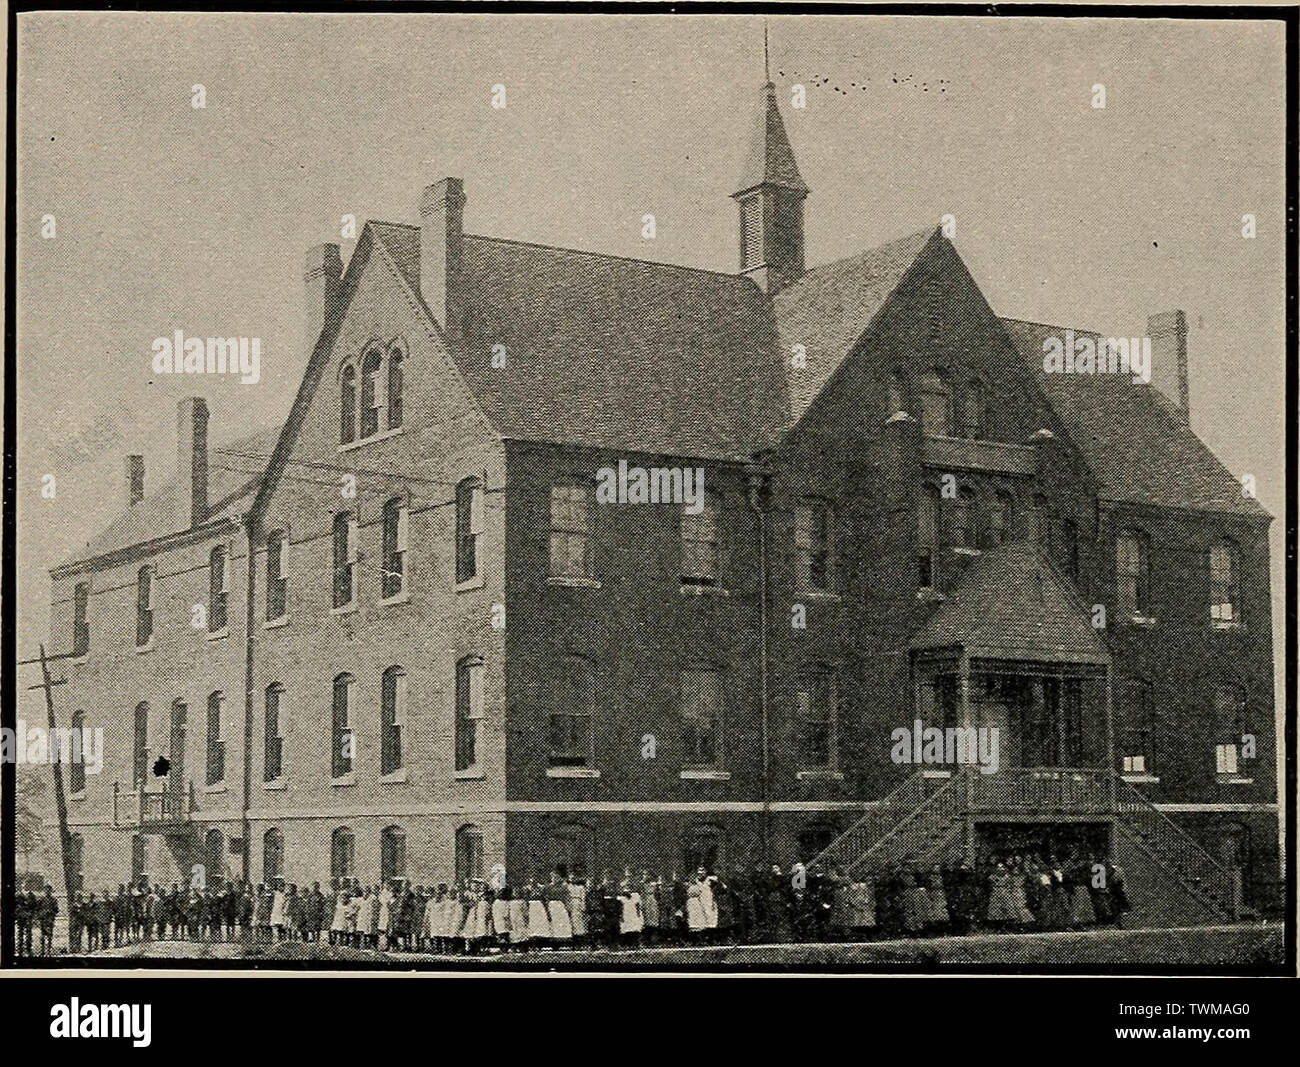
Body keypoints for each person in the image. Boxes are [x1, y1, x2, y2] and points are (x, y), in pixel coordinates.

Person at [546, 871, 573, 947]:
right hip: (552, 905)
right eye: (553, 877)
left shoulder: (563, 887)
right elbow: (546, 897)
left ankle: (563, 940)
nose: (555, 879)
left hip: (560, 905)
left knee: (561, 922)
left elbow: (567, 897)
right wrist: (548, 906)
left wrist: (567, 906)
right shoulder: (548, 887)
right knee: (554, 922)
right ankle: (554, 942)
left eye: (556, 877)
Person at [618, 875, 644, 947]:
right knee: (626, 927)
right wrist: (621, 915)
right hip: (626, 911)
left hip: (633, 911)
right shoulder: (622, 898)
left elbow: (637, 905)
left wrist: (638, 913)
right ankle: (627, 943)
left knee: (634, 926)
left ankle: (635, 943)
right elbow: (621, 906)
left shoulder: (636, 895)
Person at [37, 886, 58, 955]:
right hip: (43, 919)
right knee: (42, 935)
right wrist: (41, 914)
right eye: (46, 890)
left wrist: (51, 912)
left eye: (49, 890)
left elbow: (56, 910)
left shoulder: (54, 900)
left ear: (51, 891)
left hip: (50, 919)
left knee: (49, 935)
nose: (47, 891)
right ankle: (42, 950)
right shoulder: (41, 899)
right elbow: (38, 909)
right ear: (45, 891)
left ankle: (48, 950)